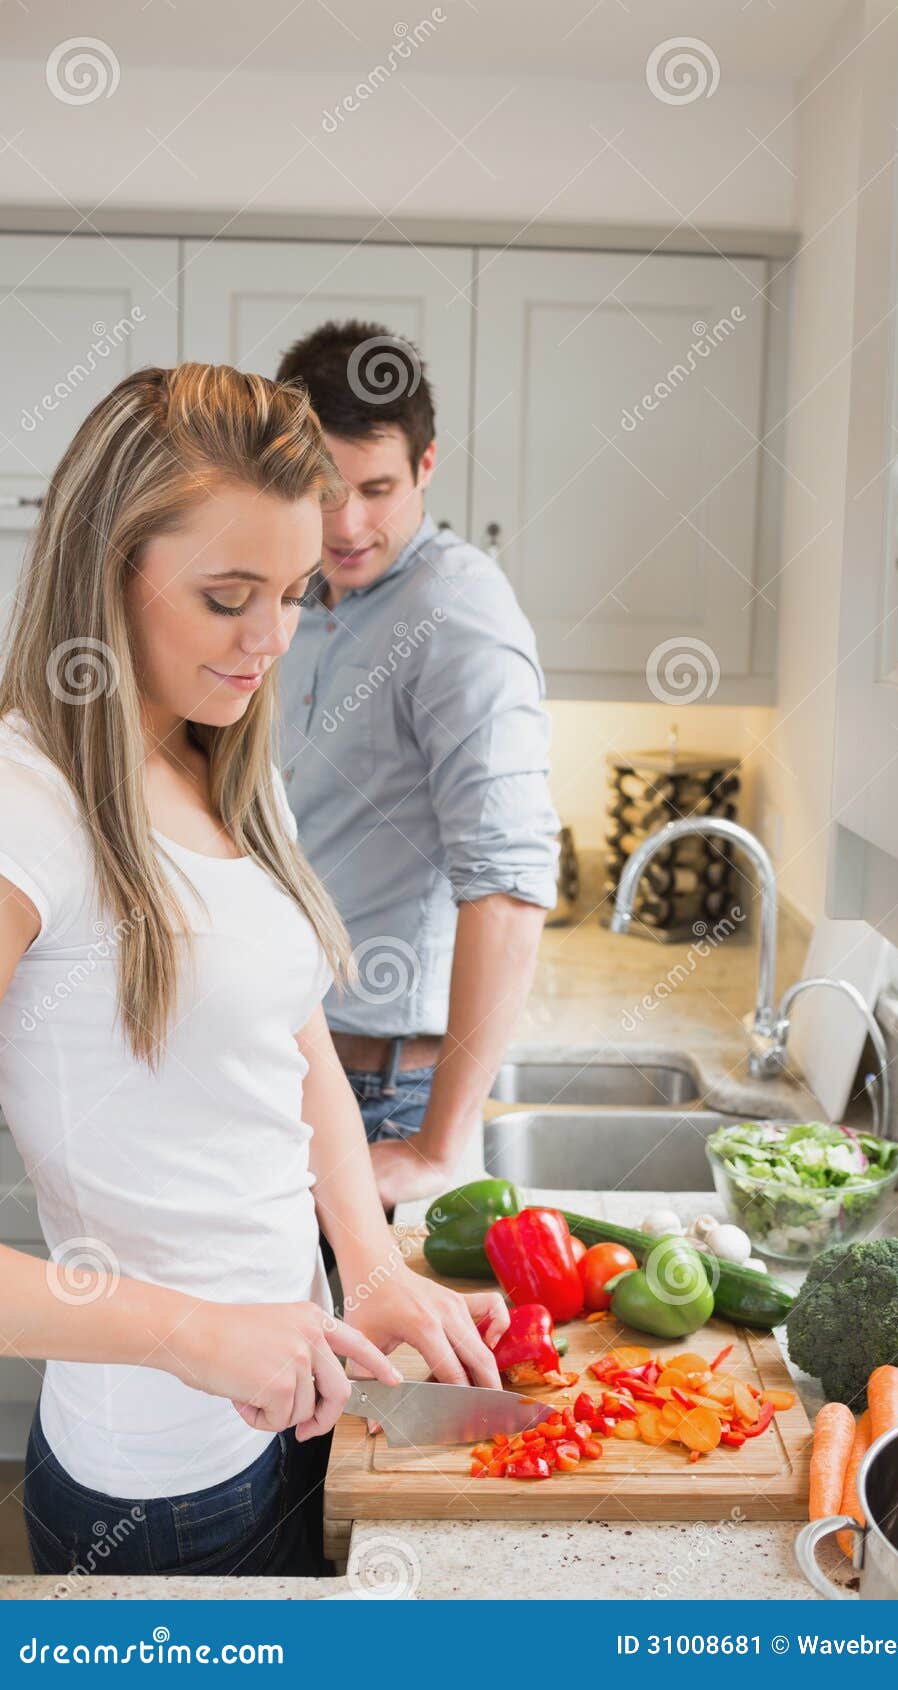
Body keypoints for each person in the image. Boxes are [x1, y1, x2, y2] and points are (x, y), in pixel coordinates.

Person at [0, 363, 508, 1579]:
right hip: (156, 1488)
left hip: (300, 1413)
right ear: (107, 568)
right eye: (229, 596)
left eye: (292, 592)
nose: (272, 639)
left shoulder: (216, 755)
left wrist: (371, 1268)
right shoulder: (26, 810)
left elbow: (294, 1045)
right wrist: (193, 1335)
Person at [275, 322, 560, 1212]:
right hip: (291, 1067)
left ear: (426, 466)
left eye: (378, 489)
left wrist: (437, 1147)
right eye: (322, 489)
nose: (348, 524)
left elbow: (510, 883)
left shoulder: (458, 615)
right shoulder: (296, 597)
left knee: (357, 1356)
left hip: (383, 1097)